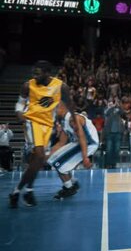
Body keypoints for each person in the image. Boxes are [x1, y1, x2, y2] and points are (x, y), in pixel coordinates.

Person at [10, 60, 79, 208]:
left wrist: (74, 119)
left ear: (47, 73)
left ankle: (19, 191)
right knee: (40, 156)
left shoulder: (61, 86)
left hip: (48, 126)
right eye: (33, 72)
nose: (34, 75)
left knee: (38, 162)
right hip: (32, 122)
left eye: (38, 73)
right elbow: (20, 103)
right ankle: (26, 191)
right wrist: (19, 113)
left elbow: (69, 103)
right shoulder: (28, 85)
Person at [47, 104, 98, 200]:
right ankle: (72, 183)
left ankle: (69, 188)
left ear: (62, 108)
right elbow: (62, 142)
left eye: (54, 109)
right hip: (80, 142)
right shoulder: (63, 121)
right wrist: (47, 154)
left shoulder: (72, 119)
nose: (52, 112)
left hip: (89, 143)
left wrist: (85, 157)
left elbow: (82, 138)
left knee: (59, 164)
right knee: (52, 159)